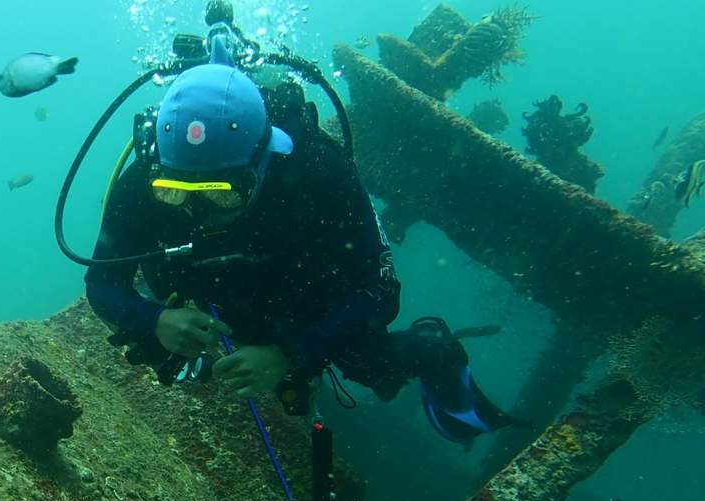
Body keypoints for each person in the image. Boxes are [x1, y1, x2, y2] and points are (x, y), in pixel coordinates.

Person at [83, 40, 514, 445]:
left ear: (264, 157)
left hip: (302, 303)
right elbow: (101, 282)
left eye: (222, 193)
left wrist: (289, 354)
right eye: (174, 192)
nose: (200, 211)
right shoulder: (144, 178)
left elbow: (380, 291)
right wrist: (154, 319)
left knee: (373, 363)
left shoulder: (318, 173)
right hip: (207, 297)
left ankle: (436, 352)